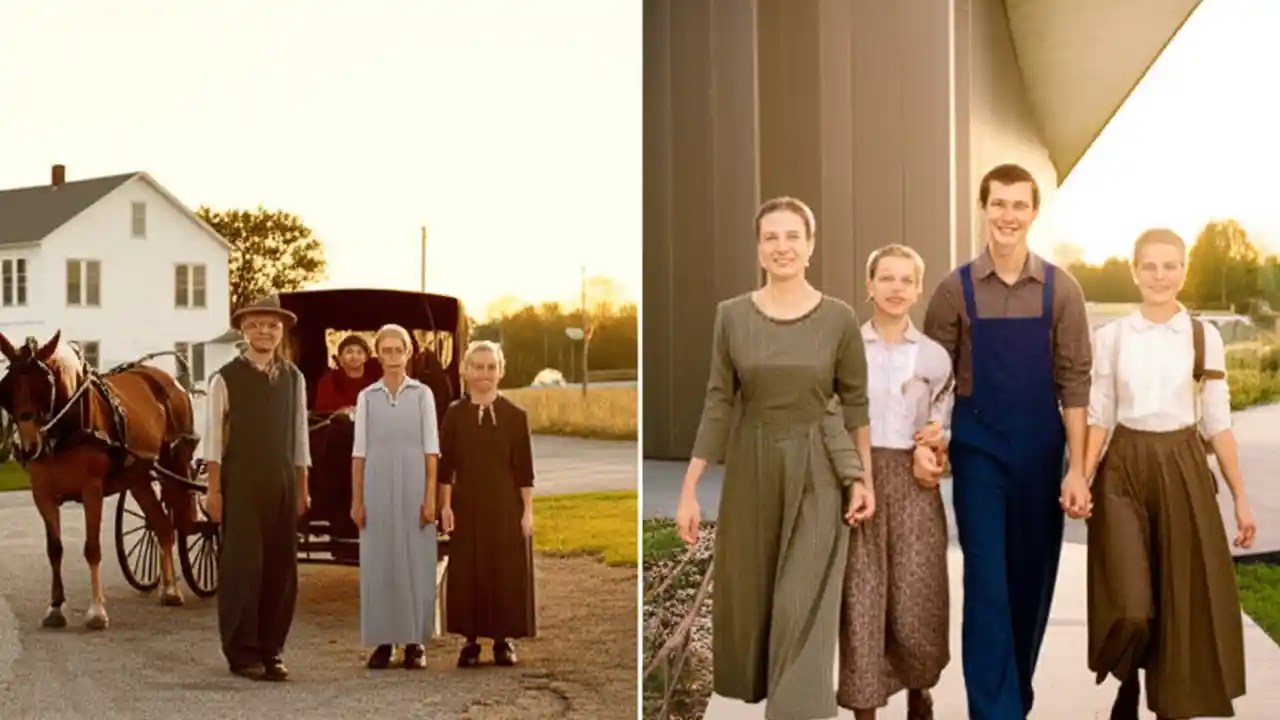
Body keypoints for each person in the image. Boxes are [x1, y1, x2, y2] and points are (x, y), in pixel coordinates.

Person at [675, 196, 874, 720]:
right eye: (771, 237)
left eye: (793, 236)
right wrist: (690, 488)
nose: (782, 246)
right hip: (753, 470)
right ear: (759, 248)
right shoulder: (731, 317)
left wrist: (863, 481)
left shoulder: (839, 318)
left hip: (818, 473)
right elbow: (719, 402)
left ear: (811, 245)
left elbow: (855, 407)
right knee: (757, 608)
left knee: (801, 607)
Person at [921, 163, 1092, 718]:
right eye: (999, 204)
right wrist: (931, 439)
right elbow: (932, 377)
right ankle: (994, 709)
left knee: (1031, 581)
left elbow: (1075, 382)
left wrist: (1075, 468)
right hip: (979, 456)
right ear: (983, 207)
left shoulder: (1061, 289)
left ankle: (1015, 694)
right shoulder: (955, 289)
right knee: (988, 582)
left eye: (1020, 205)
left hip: (1042, 454)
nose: (1009, 216)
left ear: (1034, 212)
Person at [1083, 228, 1255, 720]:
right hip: (1123, 468)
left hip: (1182, 461)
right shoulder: (1111, 337)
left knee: (1180, 600)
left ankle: (1168, 702)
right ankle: (1129, 673)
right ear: (1135, 272)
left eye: (1171, 266)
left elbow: (1218, 423)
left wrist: (1240, 497)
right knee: (1132, 605)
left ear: (1184, 271)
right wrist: (1080, 477)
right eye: (1150, 266)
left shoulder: (1204, 337)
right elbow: (1100, 414)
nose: (1160, 276)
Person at [838, 245, 953, 720]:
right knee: (862, 599)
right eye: (886, 278)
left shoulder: (932, 355)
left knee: (914, 596)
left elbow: (946, 419)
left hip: (912, 484)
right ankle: (865, 705)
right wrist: (848, 475)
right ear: (869, 285)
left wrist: (939, 437)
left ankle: (918, 685)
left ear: (918, 288)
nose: (896, 288)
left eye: (907, 280)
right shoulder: (846, 349)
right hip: (859, 478)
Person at [204, 294, 311, 681]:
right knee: (243, 566)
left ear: (281, 331)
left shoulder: (293, 378)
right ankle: (242, 651)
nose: (264, 331)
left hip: (282, 480)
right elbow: (213, 440)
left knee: (281, 569)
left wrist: (302, 486)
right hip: (241, 481)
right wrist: (213, 490)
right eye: (256, 325)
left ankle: (273, 649)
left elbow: (300, 438)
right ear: (244, 329)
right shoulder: (226, 377)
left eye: (272, 326)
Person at [438, 340, 537, 667]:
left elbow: (524, 470)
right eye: (477, 367)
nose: (484, 374)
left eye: (491, 367)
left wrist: (527, 512)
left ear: (501, 371)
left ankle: (502, 639)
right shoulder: (454, 414)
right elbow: (446, 466)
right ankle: (469, 641)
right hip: (466, 504)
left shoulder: (515, 416)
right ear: (466, 370)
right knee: (468, 570)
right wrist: (446, 506)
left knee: (504, 569)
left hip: (505, 505)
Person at [350, 323, 440, 670]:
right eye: (385, 351)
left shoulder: (422, 395)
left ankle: (415, 642)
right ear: (378, 354)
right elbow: (359, 453)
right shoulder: (367, 396)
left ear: (408, 353)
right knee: (380, 560)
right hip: (377, 483)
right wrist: (358, 500)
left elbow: (431, 450)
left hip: (414, 483)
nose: (392, 357)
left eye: (397, 350)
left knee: (415, 559)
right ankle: (383, 640)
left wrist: (429, 497)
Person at [314, 334, 378, 413]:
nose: (355, 357)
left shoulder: (376, 380)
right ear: (340, 357)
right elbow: (322, 412)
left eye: (359, 352)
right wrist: (340, 412)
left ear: (366, 357)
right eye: (349, 352)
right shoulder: (329, 382)